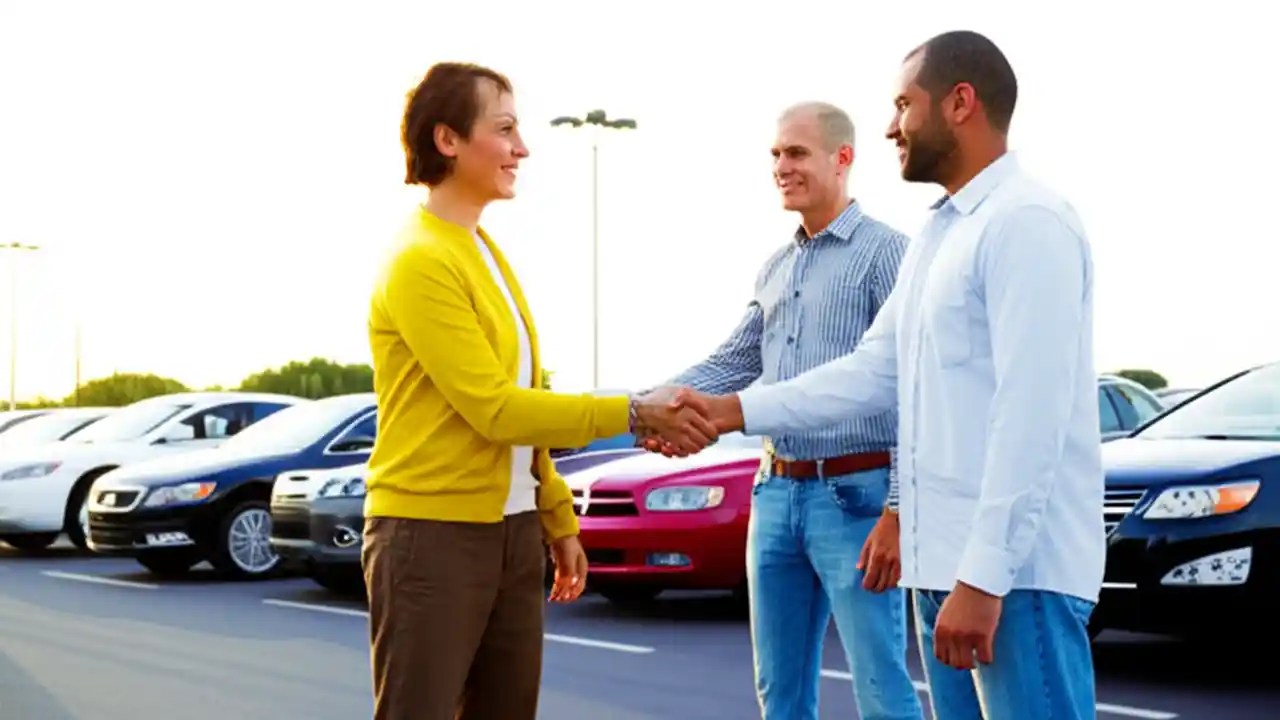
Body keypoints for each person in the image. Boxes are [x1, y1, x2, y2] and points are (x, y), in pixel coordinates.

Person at [650, 31, 1105, 720]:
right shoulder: (939, 236)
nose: (891, 125)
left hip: (1016, 584)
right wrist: (730, 411)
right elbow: (870, 372)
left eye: (903, 105)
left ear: (959, 103)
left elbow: (1030, 420)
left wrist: (983, 580)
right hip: (944, 574)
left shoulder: (1028, 222)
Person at [363, 61, 716, 720]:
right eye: (504, 129)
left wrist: (555, 517)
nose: (522, 147)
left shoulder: (483, 253)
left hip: (510, 531)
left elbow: (524, 405)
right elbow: (495, 409)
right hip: (430, 535)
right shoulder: (420, 259)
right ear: (448, 140)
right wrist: (636, 413)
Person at [642, 101, 923, 720]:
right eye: (775, 154)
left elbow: (911, 389)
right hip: (774, 496)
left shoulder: (890, 256)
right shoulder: (777, 265)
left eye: (795, 153)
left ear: (842, 158)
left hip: (857, 500)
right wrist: (650, 406)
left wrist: (899, 511)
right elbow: (732, 362)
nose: (780, 166)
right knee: (780, 693)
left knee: (881, 689)